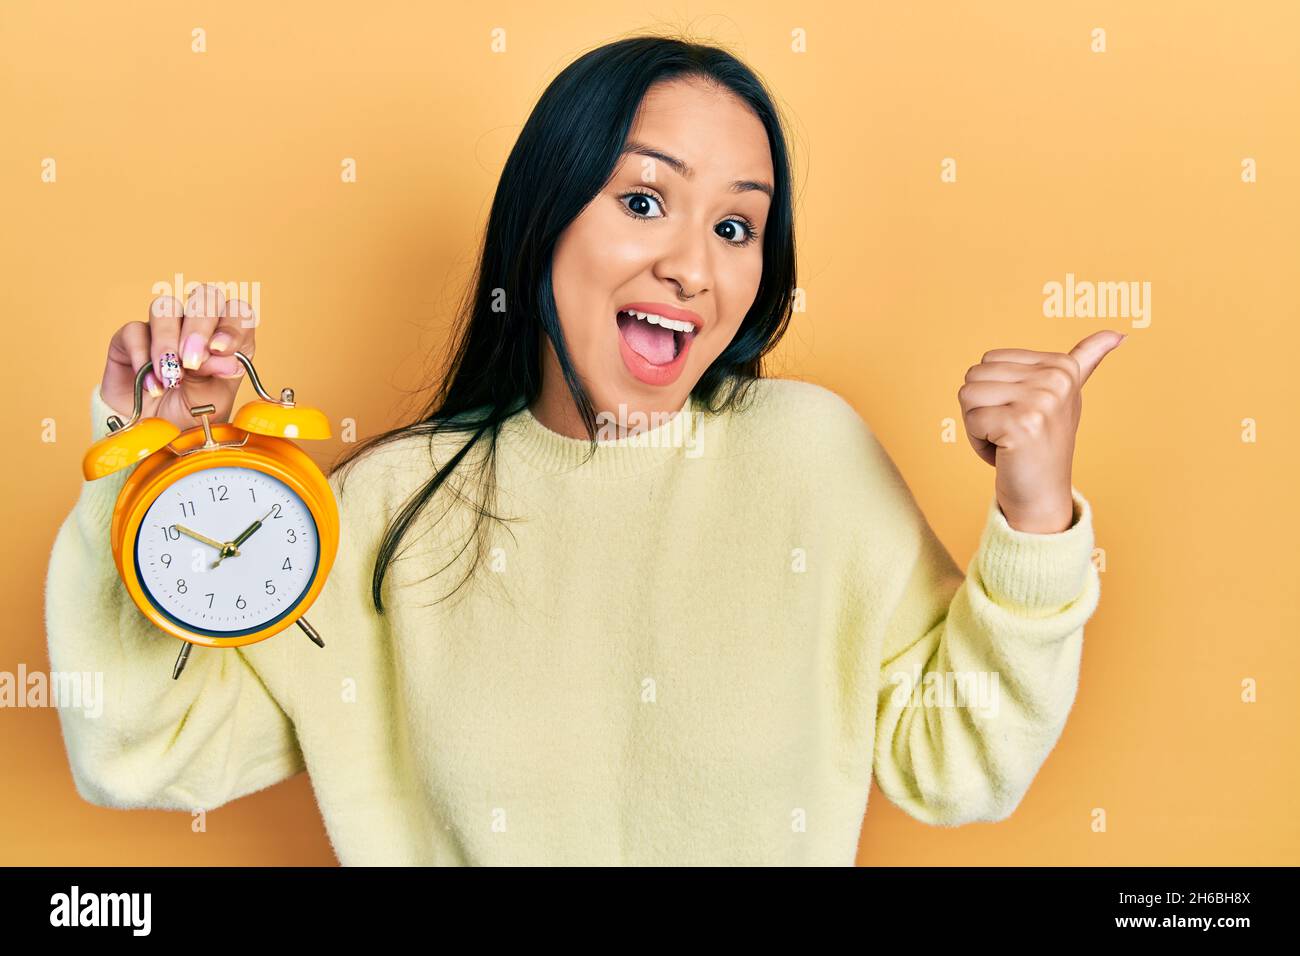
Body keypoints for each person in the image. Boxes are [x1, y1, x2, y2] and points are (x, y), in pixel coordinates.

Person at [45, 35, 1118, 866]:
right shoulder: (387, 509)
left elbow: (956, 767)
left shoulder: (810, 460)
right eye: (644, 200)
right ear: (546, 217)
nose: (693, 268)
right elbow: (143, 746)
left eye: (736, 227)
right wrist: (160, 476)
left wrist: (1033, 518)